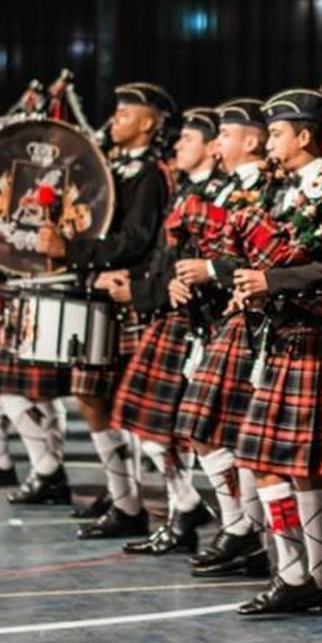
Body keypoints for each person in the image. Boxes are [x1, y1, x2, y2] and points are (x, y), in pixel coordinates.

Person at [232, 88, 322, 617]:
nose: (269, 143)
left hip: (317, 334)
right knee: (273, 464)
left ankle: (312, 580)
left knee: (294, 467)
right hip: (283, 335)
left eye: (277, 133)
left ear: (306, 135)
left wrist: (273, 281)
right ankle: (306, 579)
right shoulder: (282, 191)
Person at [39, 81, 174, 540]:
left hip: (127, 295)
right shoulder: (108, 167)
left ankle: (158, 505)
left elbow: (136, 240)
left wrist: (73, 251)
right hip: (100, 294)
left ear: (149, 123)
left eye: (126, 113)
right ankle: (124, 496)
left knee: (124, 405)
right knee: (94, 398)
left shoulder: (151, 174)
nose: (116, 119)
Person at [113, 106, 225, 555]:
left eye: (189, 139)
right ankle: (185, 507)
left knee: (190, 432)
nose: (178, 144)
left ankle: (232, 528)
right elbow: (165, 260)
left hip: (201, 321)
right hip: (172, 316)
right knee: (150, 428)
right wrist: (147, 286)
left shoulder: (221, 194)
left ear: (213, 148)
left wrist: (146, 291)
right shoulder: (183, 191)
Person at [174, 99, 276, 577]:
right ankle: (241, 530)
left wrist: (212, 271)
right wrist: (180, 280)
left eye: (226, 136)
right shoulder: (225, 188)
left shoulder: (268, 187)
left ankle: (245, 532)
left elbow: (273, 254)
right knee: (203, 430)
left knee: (228, 435)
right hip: (221, 319)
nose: (217, 145)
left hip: (255, 322)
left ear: (251, 141)